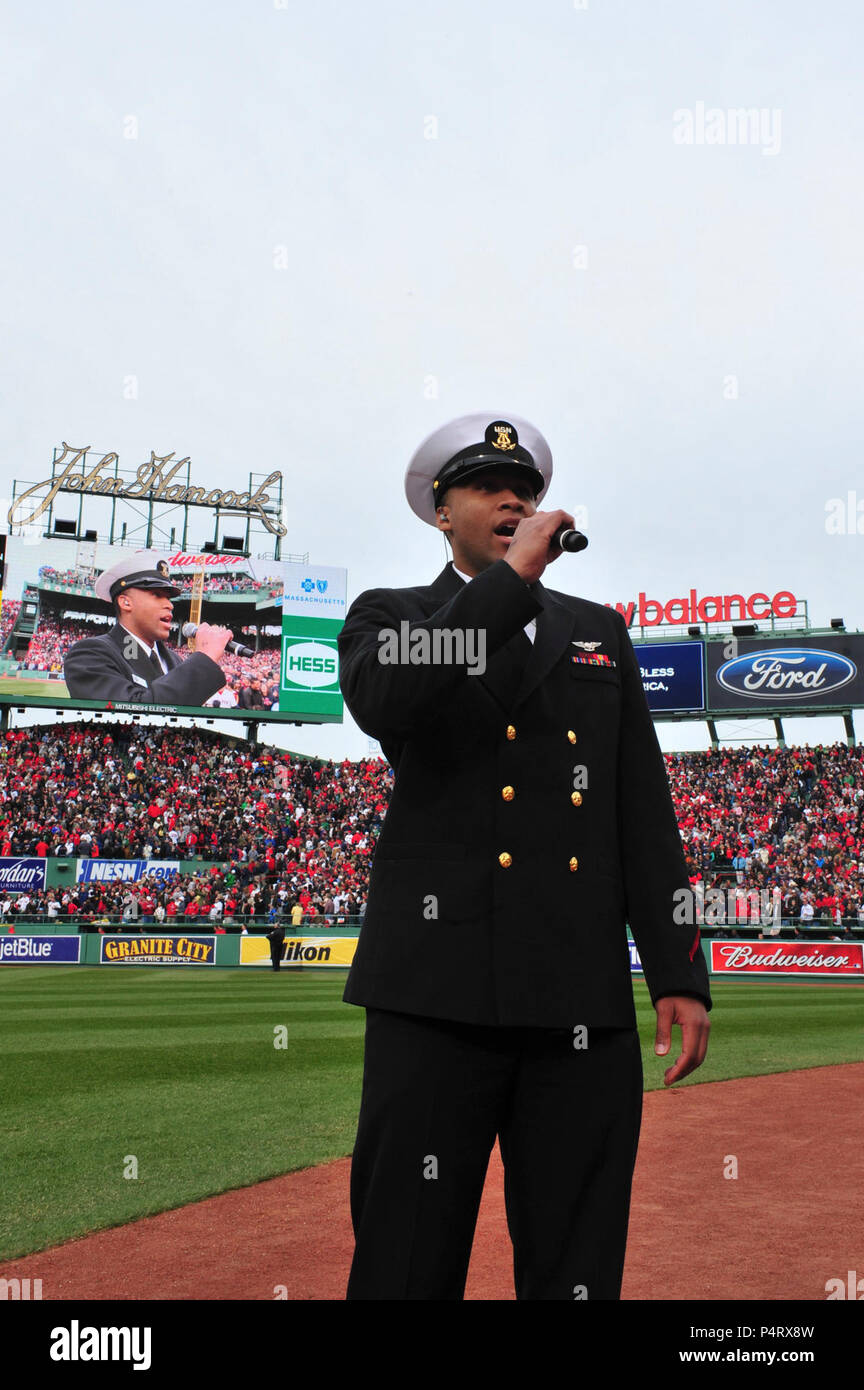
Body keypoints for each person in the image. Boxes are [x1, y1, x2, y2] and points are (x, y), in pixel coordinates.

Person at [337, 412, 712, 1301]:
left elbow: (643, 815)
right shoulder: (394, 616)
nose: (514, 499)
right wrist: (511, 577)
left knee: (577, 1262)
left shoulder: (598, 632)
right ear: (441, 512)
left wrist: (679, 969)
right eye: (486, 487)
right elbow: (391, 698)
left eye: (528, 491)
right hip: (434, 997)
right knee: (406, 1256)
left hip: (576, 999)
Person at [63, 550, 234, 706]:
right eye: (157, 595)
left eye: (168, 597)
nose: (169, 605)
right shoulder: (90, 654)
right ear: (126, 602)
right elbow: (133, 711)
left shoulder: (174, 660)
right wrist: (205, 658)